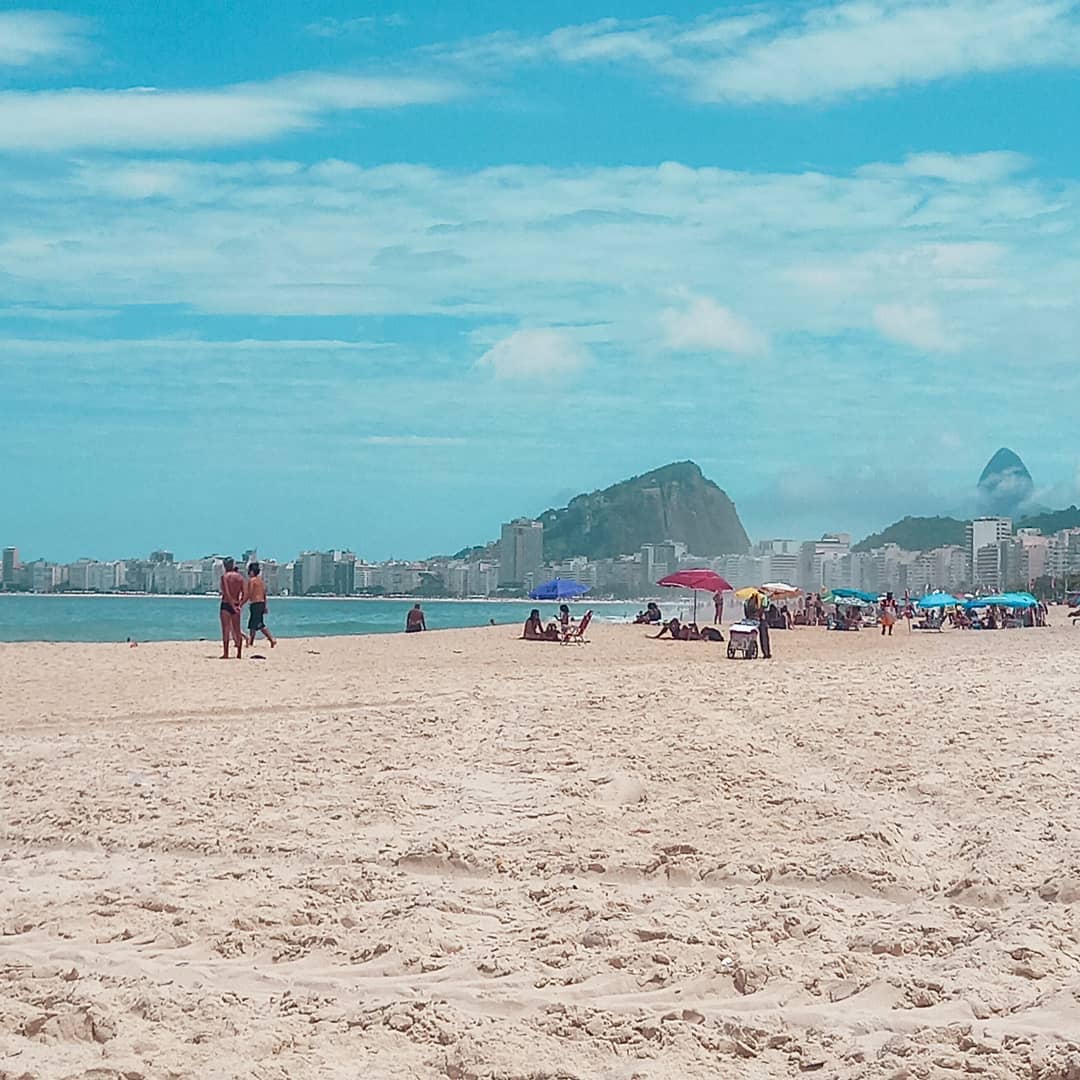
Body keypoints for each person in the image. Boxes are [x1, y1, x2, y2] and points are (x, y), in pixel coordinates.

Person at [219, 557, 246, 659]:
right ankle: (239, 653)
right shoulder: (240, 578)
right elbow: (245, 593)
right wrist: (239, 604)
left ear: (225, 565)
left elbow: (226, 592)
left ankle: (226, 653)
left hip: (226, 604)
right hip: (236, 604)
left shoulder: (225, 577)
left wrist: (232, 605)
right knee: (237, 630)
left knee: (226, 629)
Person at [245, 562, 276, 648]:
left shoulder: (252, 580)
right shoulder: (260, 581)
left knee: (259, 624)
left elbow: (249, 593)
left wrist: (242, 602)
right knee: (252, 624)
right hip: (261, 603)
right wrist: (265, 606)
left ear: (251, 571)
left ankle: (271, 639)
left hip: (255, 604)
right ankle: (251, 642)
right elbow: (264, 594)